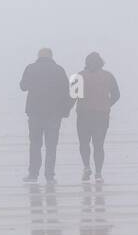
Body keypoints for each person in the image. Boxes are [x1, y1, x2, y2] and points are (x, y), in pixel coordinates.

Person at [19, 47, 72, 183]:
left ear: (38, 56)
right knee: (51, 146)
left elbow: (23, 86)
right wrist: (65, 110)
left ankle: (33, 174)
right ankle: (49, 175)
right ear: (51, 56)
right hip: (54, 114)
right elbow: (67, 91)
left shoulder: (31, 68)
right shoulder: (59, 70)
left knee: (35, 144)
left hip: (35, 112)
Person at [73, 51, 120, 181]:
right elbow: (117, 95)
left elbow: (71, 97)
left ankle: (87, 166)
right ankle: (98, 173)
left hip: (83, 115)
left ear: (86, 63)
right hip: (101, 115)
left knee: (84, 143)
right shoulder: (109, 76)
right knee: (99, 144)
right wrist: (107, 104)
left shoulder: (79, 76)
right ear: (101, 62)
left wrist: (63, 112)